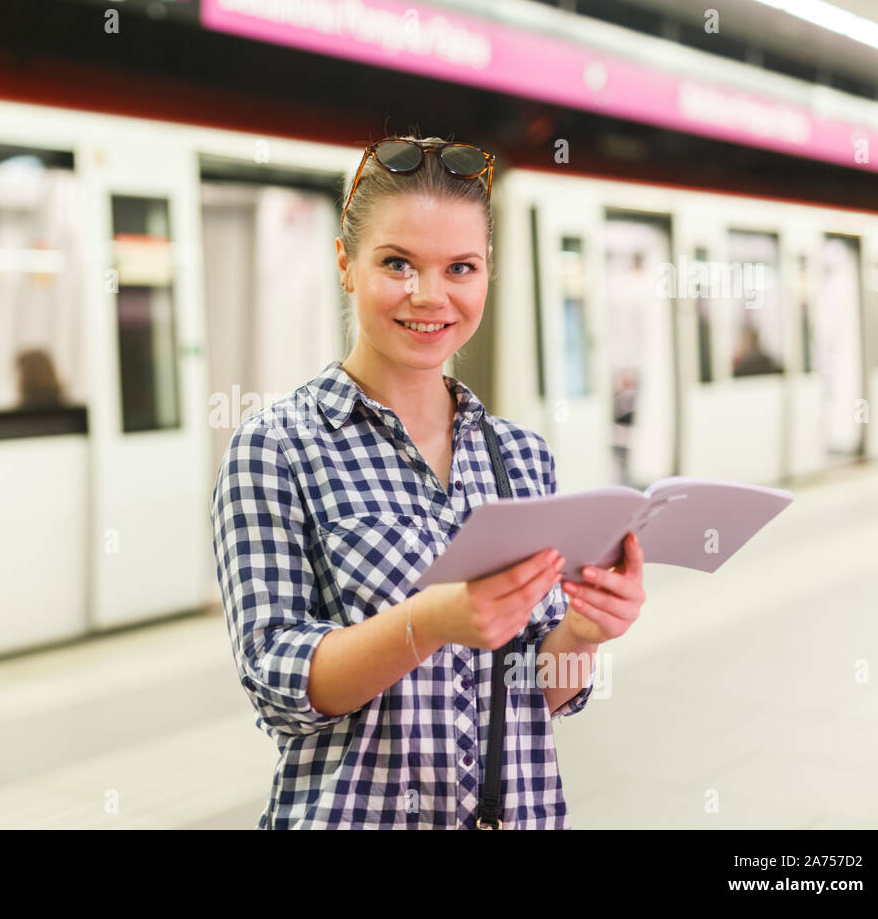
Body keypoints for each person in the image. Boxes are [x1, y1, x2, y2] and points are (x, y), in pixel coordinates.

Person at [210, 134, 648, 829]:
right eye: (397, 263)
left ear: (487, 272)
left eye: (460, 268)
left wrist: (586, 634)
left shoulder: (522, 457)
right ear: (346, 264)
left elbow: (543, 693)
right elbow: (279, 686)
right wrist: (430, 621)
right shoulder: (275, 448)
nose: (430, 295)